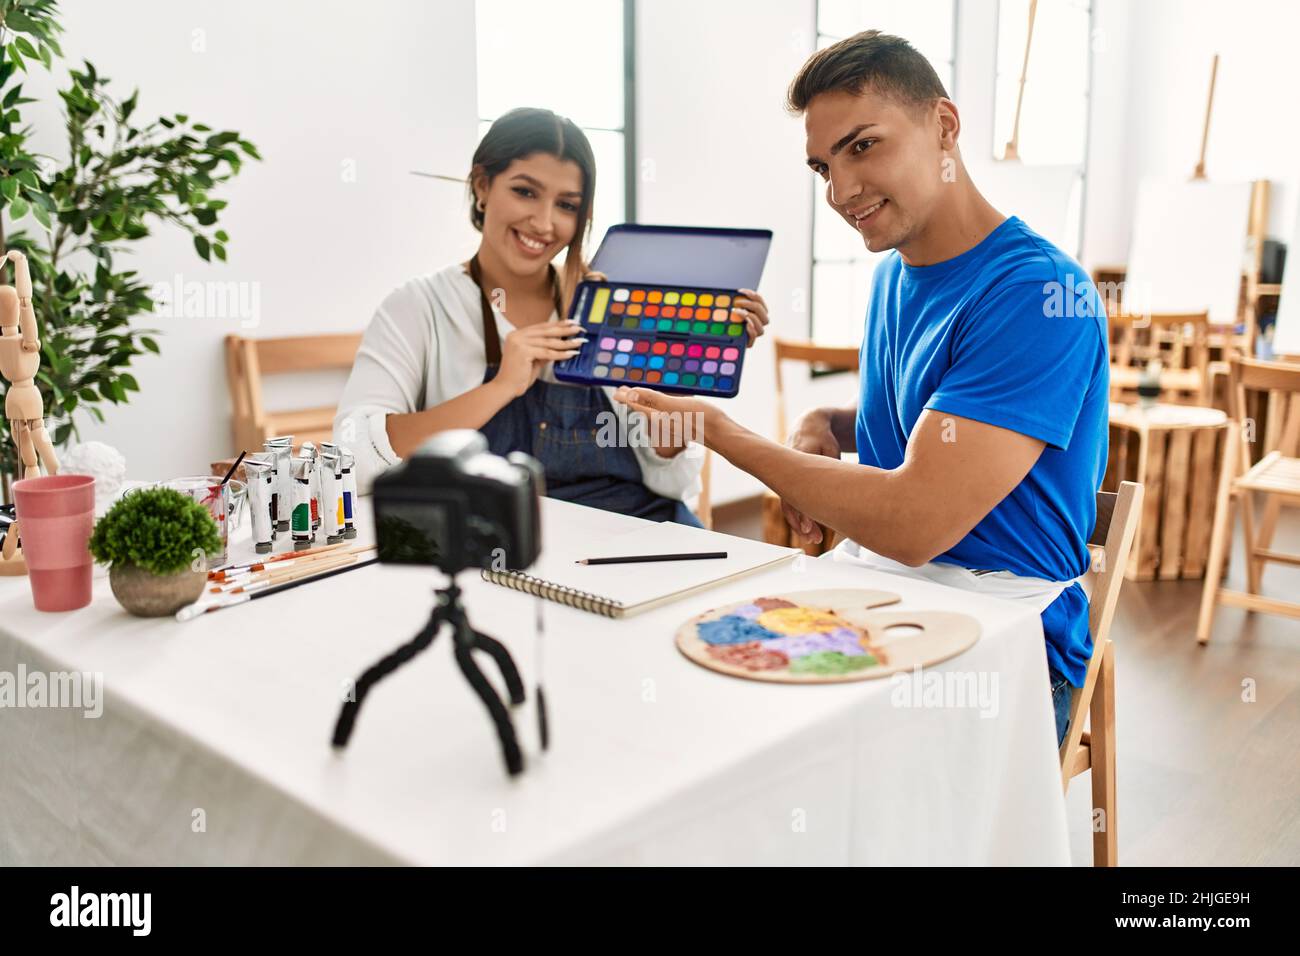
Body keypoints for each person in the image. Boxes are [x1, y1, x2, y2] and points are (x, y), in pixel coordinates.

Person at [613, 32, 1108, 747]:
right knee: (693, 703)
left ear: (944, 126)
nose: (840, 192)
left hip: (1011, 642)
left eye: (863, 146)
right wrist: (829, 421)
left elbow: (915, 523)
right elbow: (932, 427)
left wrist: (721, 432)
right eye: (823, 165)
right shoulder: (893, 278)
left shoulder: (1038, 292)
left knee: (763, 752)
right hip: (883, 597)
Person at [335, 107, 770, 524]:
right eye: (525, 191)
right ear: (483, 186)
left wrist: (693, 366)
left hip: (633, 531)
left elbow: (667, 477)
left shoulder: (608, 304)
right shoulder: (417, 307)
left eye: (566, 205)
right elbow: (355, 460)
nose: (544, 223)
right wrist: (503, 386)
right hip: (499, 540)